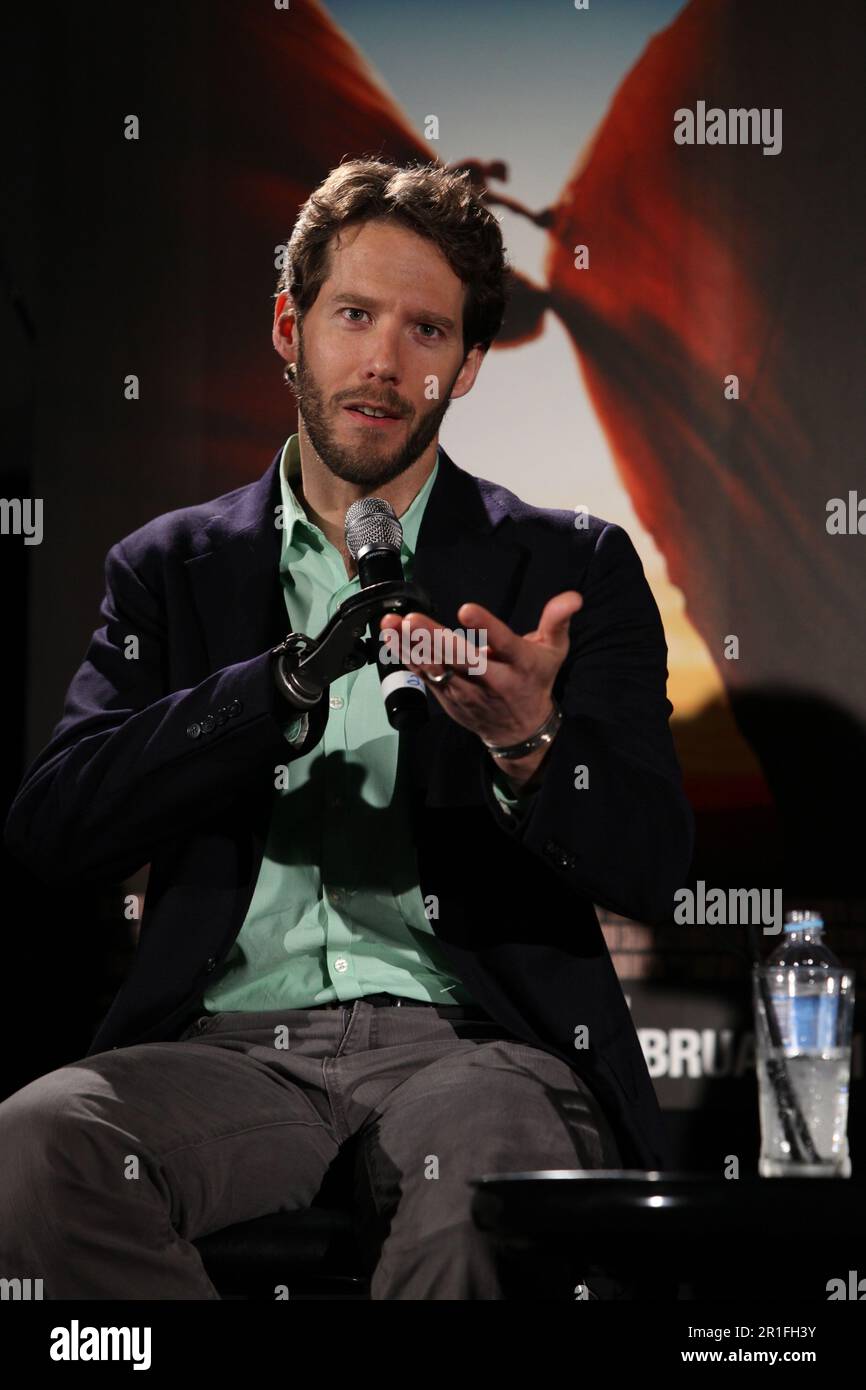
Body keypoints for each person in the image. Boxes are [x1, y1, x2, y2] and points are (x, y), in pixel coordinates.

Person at [1, 158, 694, 1300]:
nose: (382, 362)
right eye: (353, 316)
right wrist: (269, 690)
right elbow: (49, 833)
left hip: (471, 1051)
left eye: (427, 330)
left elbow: (655, 861)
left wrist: (528, 744)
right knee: (39, 1144)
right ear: (290, 327)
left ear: (468, 366)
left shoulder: (568, 567)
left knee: (489, 1177)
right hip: (219, 1055)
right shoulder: (168, 570)